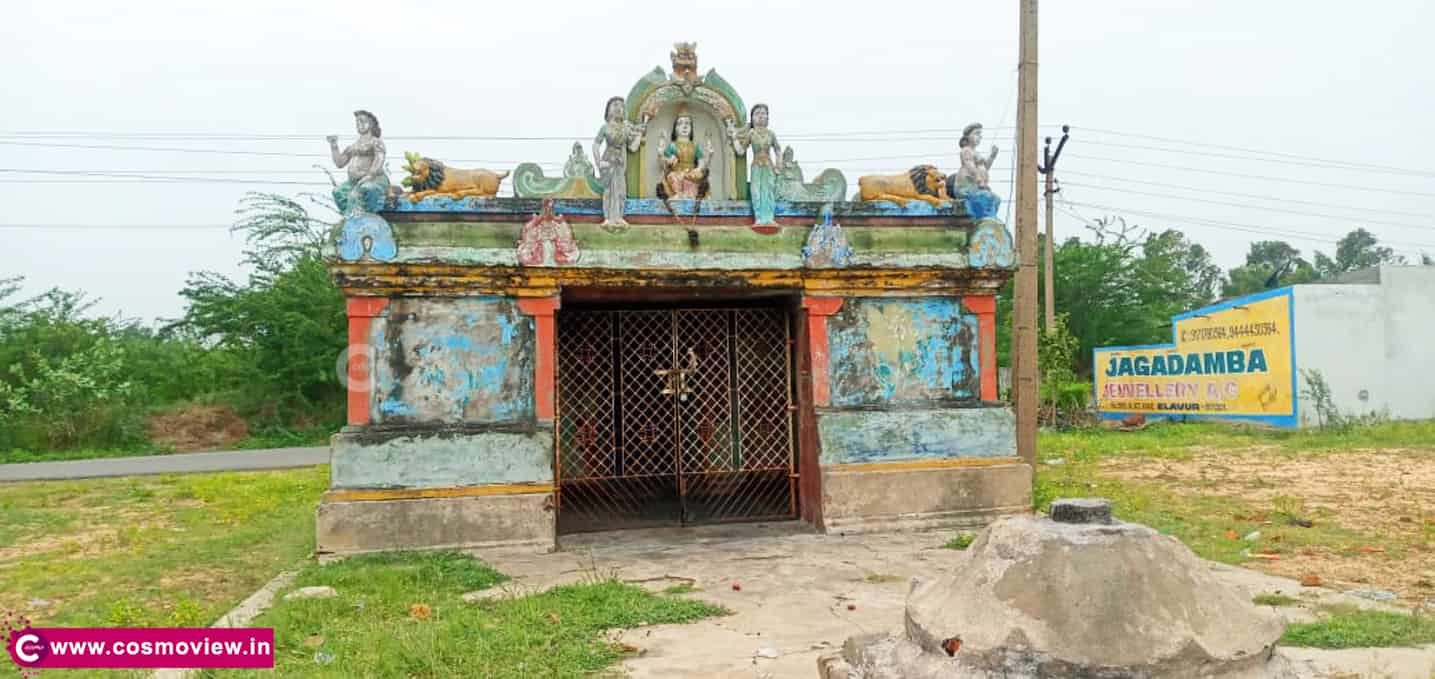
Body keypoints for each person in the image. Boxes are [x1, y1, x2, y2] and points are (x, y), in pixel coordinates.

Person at [592, 96, 647, 227]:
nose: (618, 108)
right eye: (614, 105)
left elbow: (633, 147)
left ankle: (619, 217)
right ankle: (608, 217)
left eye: (621, 105)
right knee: (609, 190)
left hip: (621, 164)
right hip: (608, 162)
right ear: (608, 111)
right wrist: (599, 162)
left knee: (621, 190)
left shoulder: (627, 127)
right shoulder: (605, 127)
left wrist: (639, 135)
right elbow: (596, 144)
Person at [326, 110, 390, 214]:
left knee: (367, 189)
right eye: (357, 122)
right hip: (353, 183)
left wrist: (370, 175)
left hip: (374, 179)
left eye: (363, 121)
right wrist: (334, 146)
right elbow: (340, 163)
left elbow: (379, 159)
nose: (359, 125)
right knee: (338, 192)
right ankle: (350, 214)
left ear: (370, 124)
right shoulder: (353, 146)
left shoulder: (376, 142)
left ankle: (368, 214)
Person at [728, 103, 782, 225]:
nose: (761, 116)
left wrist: (779, 165)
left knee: (768, 191)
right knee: (756, 191)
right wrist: (734, 138)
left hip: (769, 167)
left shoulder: (770, 134)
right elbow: (741, 151)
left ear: (768, 117)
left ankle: (769, 218)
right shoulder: (751, 133)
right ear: (752, 118)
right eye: (757, 113)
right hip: (756, 167)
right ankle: (759, 218)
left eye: (763, 113)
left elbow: (778, 150)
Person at [950, 122, 1001, 219]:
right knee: (986, 198)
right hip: (967, 187)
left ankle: (990, 218)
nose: (979, 137)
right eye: (976, 134)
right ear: (968, 136)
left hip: (978, 187)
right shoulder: (966, 150)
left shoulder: (977, 153)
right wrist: (979, 180)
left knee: (996, 199)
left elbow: (985, 168)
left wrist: (992, 156)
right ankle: (986, 220)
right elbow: (969, 165)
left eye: (980, 135)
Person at [657, 113, 713, 200]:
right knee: (673, 176)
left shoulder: (695, 146)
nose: (684, 126)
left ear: (691, 128)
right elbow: (664, 162)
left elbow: (701, 162)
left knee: (699, 176)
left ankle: (691, 195)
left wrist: (698, 168)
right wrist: (666, 157)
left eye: (687, 123)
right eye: (681, 123)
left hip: (691, 172)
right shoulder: (672, 146)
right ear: (676, 128)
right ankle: (678, 194)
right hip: (677, 172)